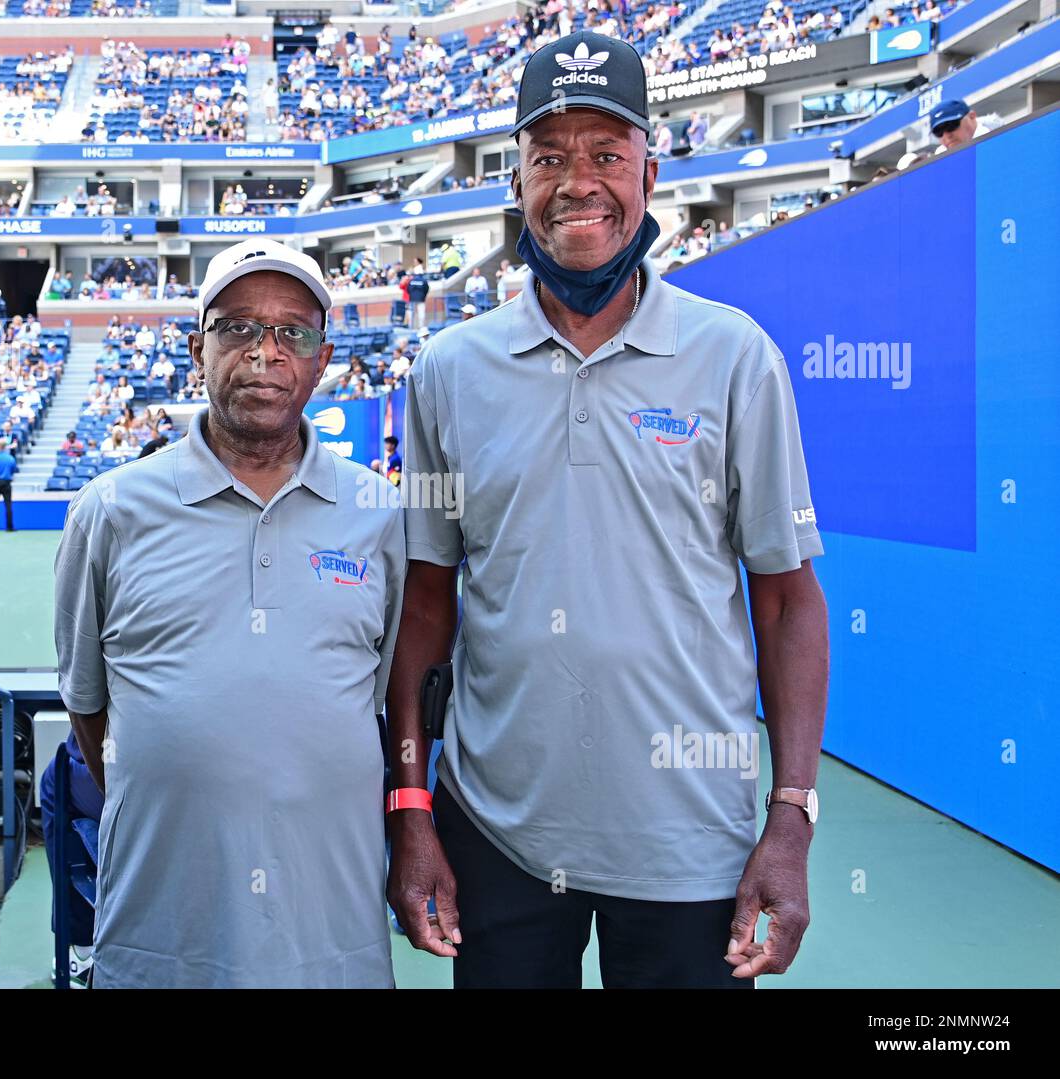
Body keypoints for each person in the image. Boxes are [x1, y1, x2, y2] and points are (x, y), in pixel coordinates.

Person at [388, 30, 828, 989]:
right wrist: (412, 808)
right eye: (549, 156)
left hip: (692, 843)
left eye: (605, 155)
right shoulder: (448, 374)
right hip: (498, 836)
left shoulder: (735, 356)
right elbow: (427, 601)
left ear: (649, 173)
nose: (575, 181)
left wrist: (789, 816)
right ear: (516, 180)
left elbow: (789, 600)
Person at [54, 239, 405, 989]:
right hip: (162, 941)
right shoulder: (111, 509)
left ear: (322, 358)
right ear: (197, 348)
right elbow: (89, 707)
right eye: (238, 328)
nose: (265, 352)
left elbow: (375, 698)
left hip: (331, 944)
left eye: (293, 332)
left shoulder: (379, 512)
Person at [929, 98, 994, 153]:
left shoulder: (997, 141)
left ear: (972, 116)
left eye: (951, 126)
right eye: (938, 132)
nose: (947, 135)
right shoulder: (939, 160)